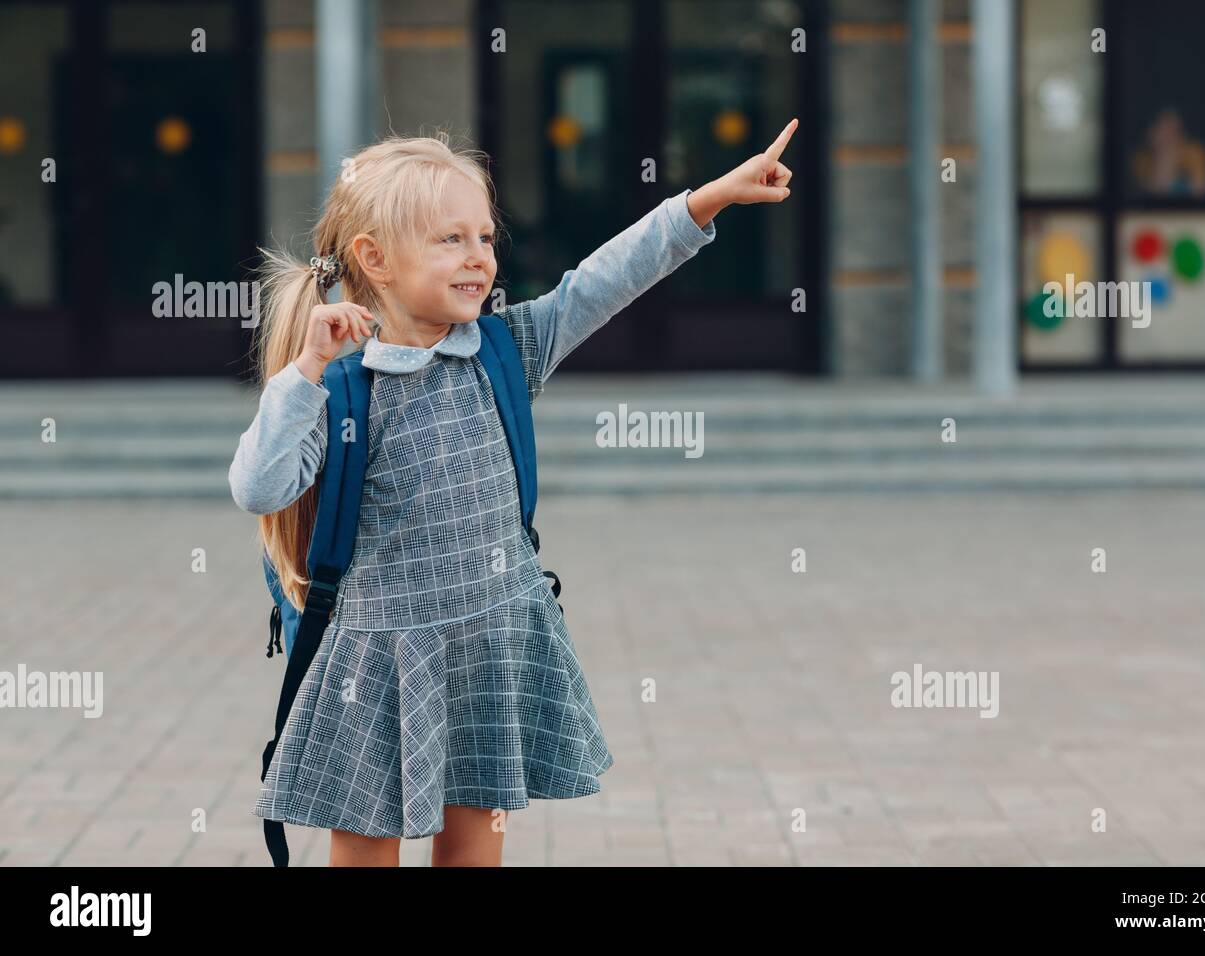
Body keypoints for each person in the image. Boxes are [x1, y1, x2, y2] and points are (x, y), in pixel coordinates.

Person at [228, 120, 797, 866]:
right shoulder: (339, 388)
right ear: (376, 259)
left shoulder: (504, 350)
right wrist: (303, 370)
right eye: (450, 240)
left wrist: (707, 202)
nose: (479, 259)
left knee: (474, 847)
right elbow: (259, 485)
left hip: (492, 641)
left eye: (486, 238)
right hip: (380, 660)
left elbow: (602, 280)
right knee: (366, 851)